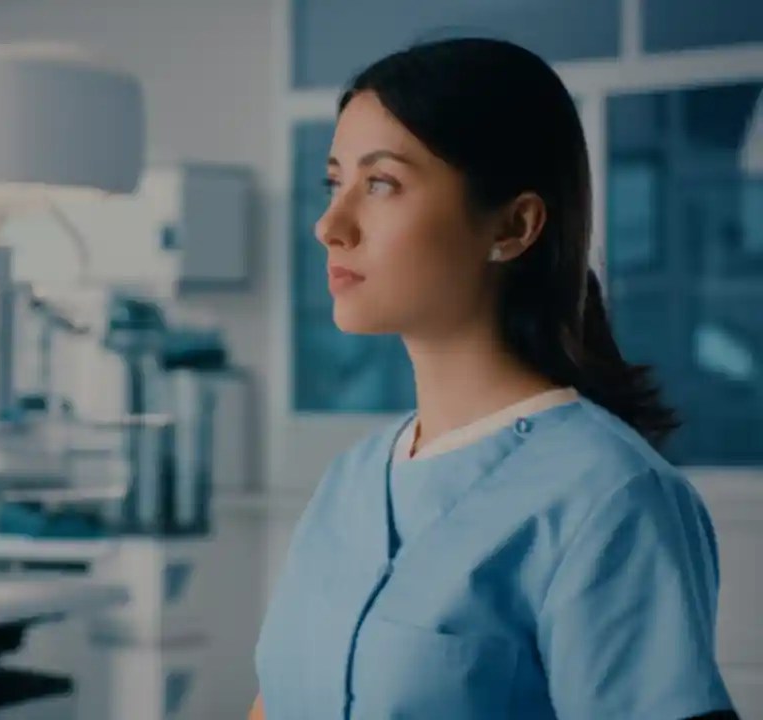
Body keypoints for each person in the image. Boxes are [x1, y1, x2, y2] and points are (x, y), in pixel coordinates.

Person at [250, 38, 739, 719]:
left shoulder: (610, 498)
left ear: (512, 226)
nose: (330, 224)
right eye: (335, 183)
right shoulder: (350, 484)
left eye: (382, 183)